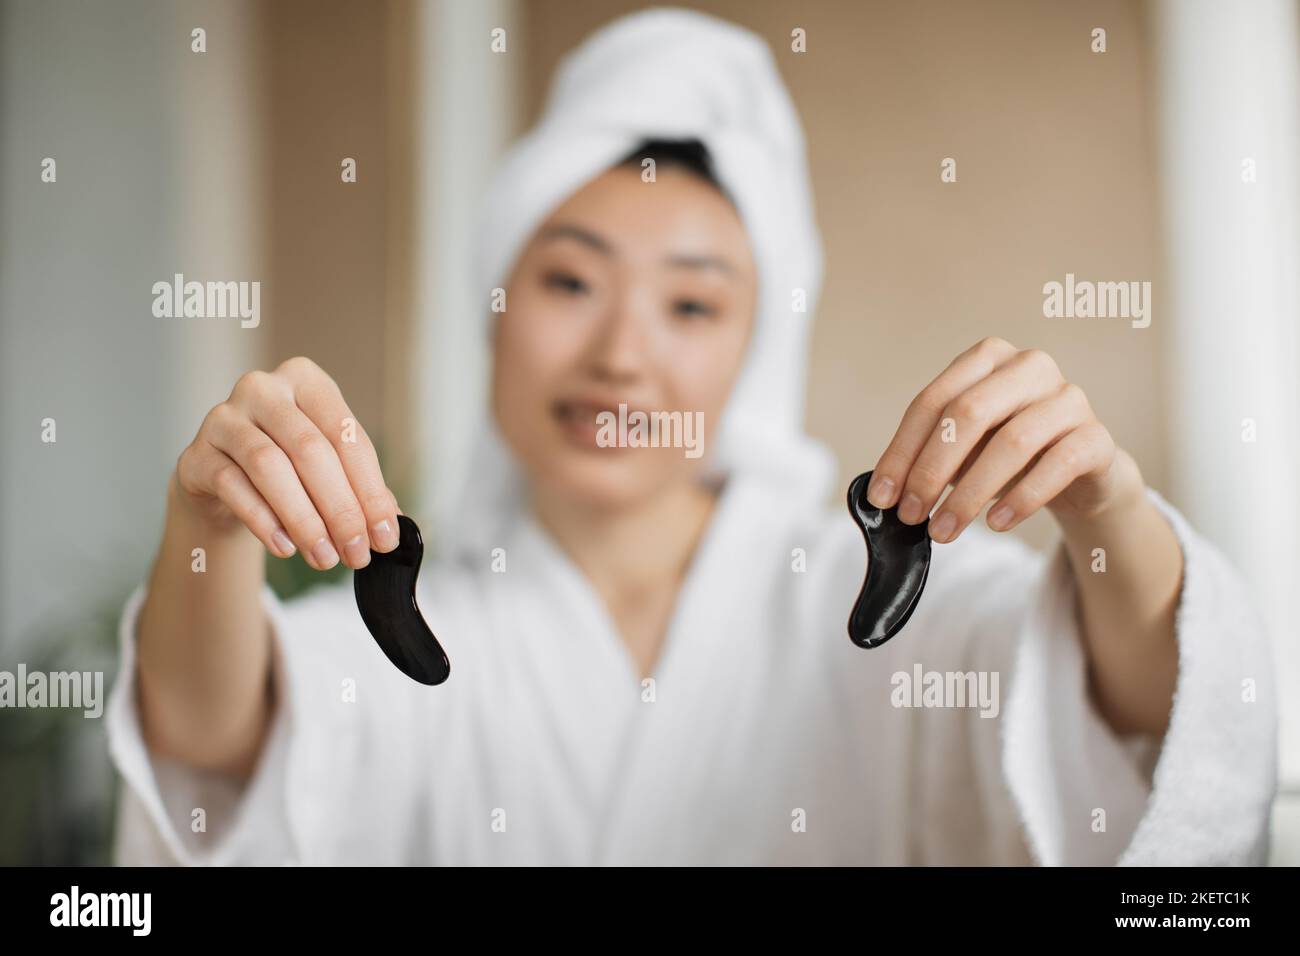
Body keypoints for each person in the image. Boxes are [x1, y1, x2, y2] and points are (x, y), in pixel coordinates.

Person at [106, 8, 1275, 865]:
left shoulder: (875, 598)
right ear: (495, 310)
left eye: (692, 301)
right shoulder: (417, 622)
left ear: (753, 348)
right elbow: (211, 768)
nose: (622, 353)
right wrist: (204, 527)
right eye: (570, 282)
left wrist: (1105, 511)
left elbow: (1126, 726)